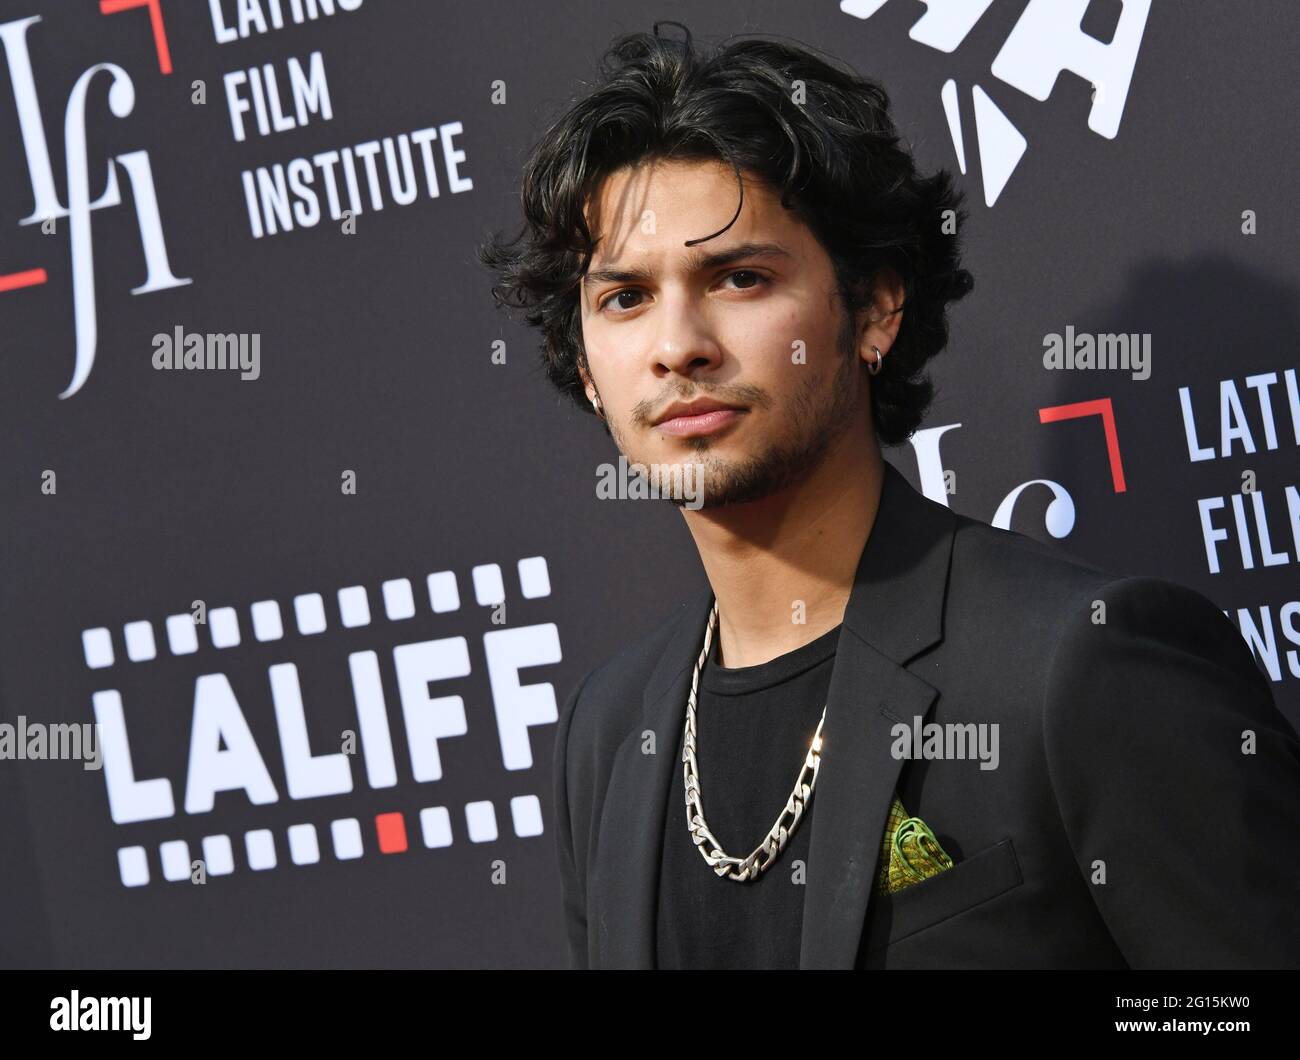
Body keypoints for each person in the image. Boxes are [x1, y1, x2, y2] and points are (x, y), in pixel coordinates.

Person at [478, 22, 1300, 969]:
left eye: (739, 278)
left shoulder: (1077, 667)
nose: (678, 345)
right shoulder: (608, 731)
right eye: (624, 298)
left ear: (874, 308)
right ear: (583, 364)